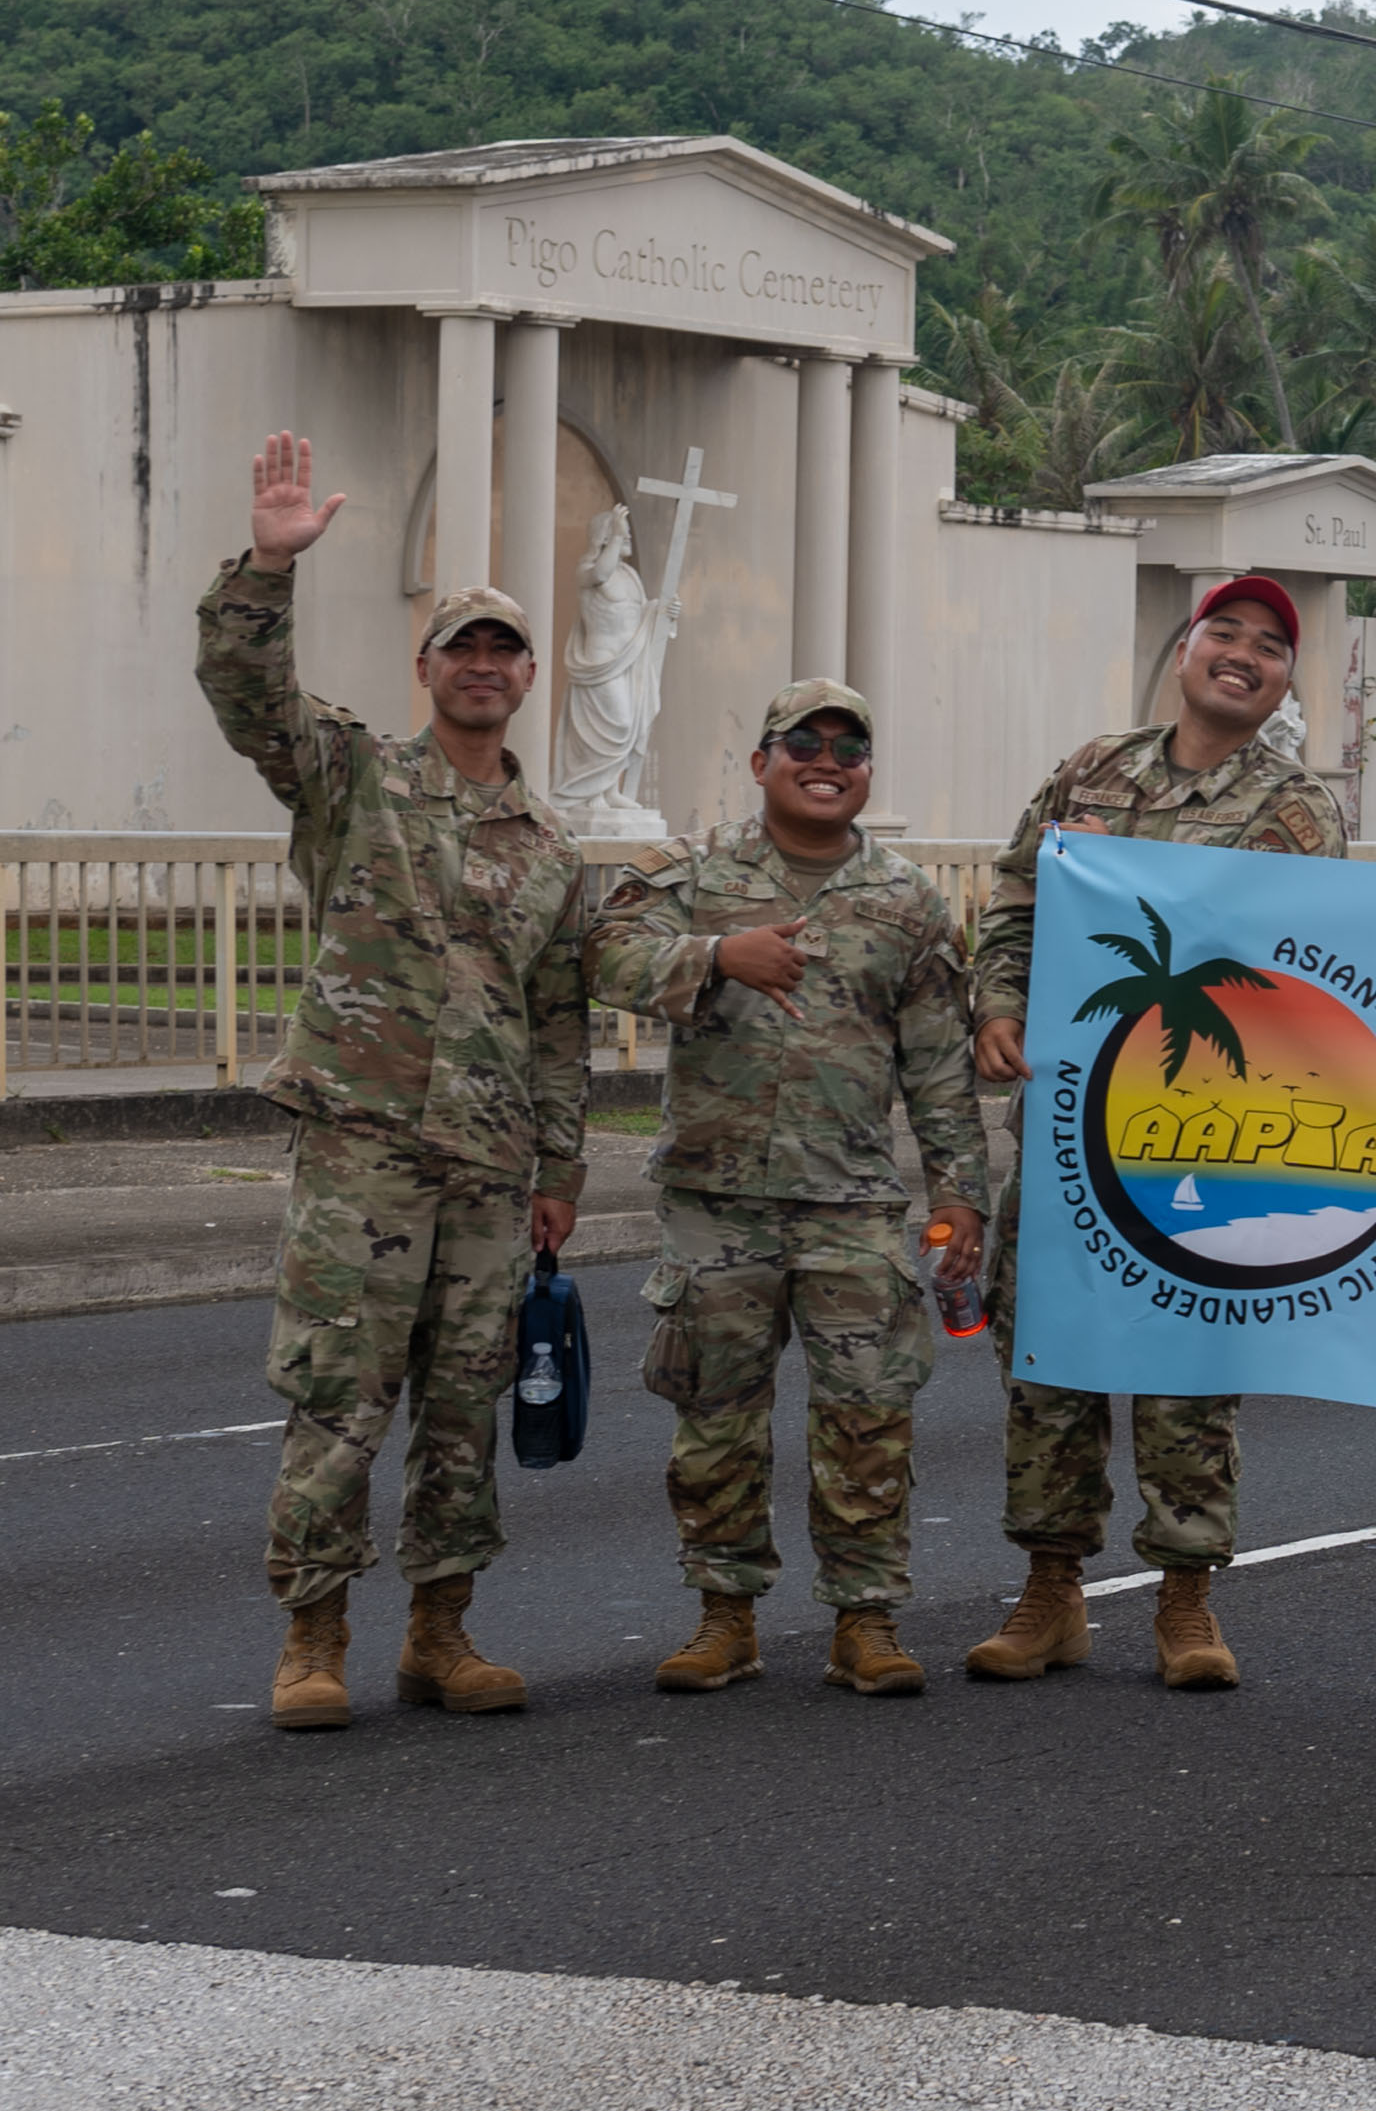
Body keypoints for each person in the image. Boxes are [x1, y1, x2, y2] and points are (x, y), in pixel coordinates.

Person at [199, 436, 590, 1732]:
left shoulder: (549, 849)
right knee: (340, 1390)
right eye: (459, 647)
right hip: (362, 1146)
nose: (481, 667)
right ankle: (314, 1636)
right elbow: (251, 697)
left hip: (488, 1167)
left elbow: (555, 1017)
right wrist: (269, 565)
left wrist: (561, 1168)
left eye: (502, 651)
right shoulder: (356, 777)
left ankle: (442, 1630)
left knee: (465, 1402)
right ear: (424, 670)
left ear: (529, 679)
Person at [967, 574, 1346, 1691]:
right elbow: (1015, 903)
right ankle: (1050, 1592)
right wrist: (997, 1003)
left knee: (1186, 1360)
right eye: (1224, 632)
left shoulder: (1298, 808)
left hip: (1207, 1133)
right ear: (1187, 648)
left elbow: (1314, 961)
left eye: (1269, 645)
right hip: (1071, 1128)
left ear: (1283, 680)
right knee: (1048, 1353)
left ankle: (1187, 1601)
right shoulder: (1092, 772)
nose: (1243, 654)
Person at [590, 681, 989, 1699]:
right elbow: (602, 955)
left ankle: (867, 1620)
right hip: (716, 1203)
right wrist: (717, 954)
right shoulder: (694, 873)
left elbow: (939, 1065)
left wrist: (961, 1199)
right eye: (802, 741)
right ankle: (726, 1617)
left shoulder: (905, 902)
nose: (827, 758)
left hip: (851, 1200)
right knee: (716, 1418)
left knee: (869, 1417)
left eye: (848, 746)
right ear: (762, 760)